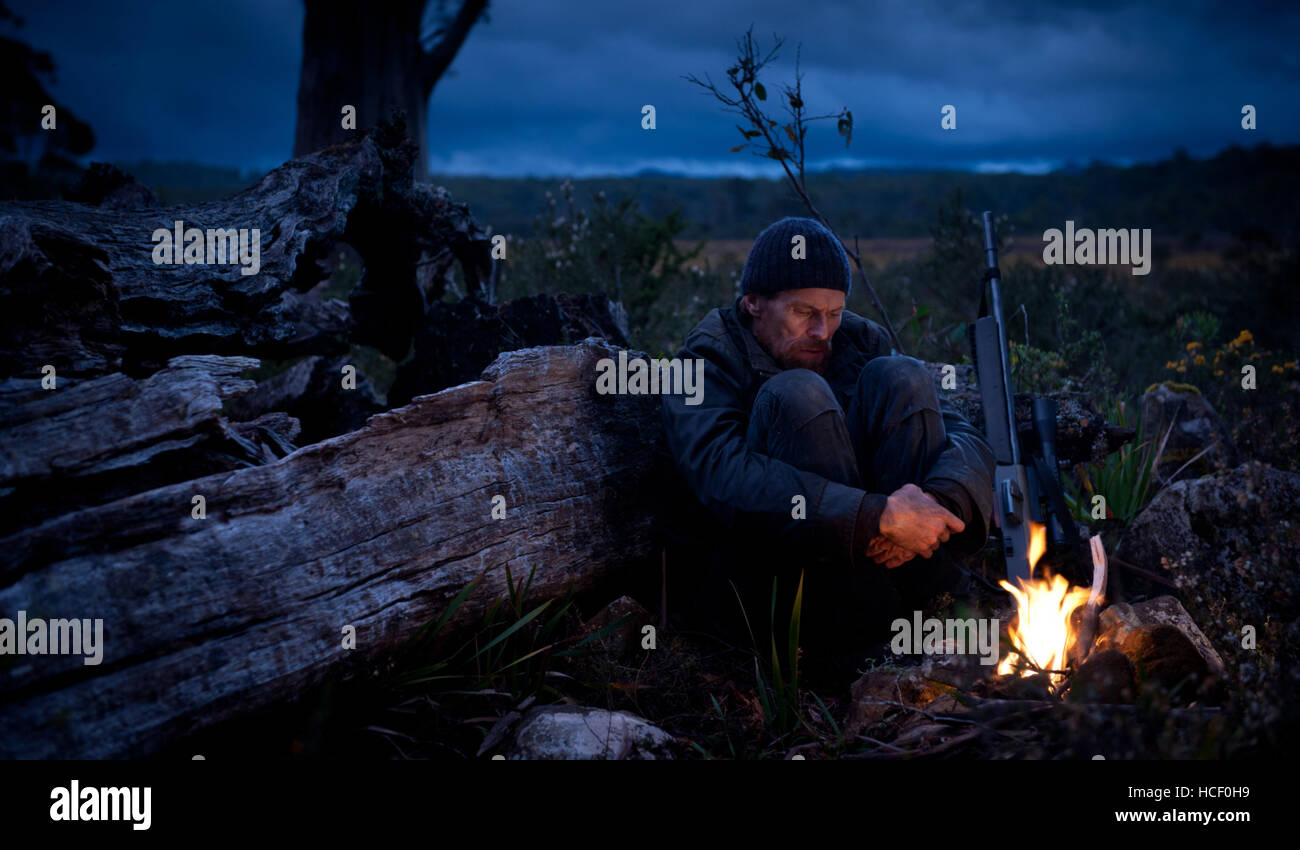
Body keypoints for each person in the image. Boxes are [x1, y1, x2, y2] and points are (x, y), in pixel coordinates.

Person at [658, 216, 995, 681]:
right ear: (753, 303)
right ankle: (856, 645)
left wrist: (936, 503)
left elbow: (962, 433)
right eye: (804, 313)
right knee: (798, 393)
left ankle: (932, 606)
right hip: (765, 589)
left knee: (902, 376)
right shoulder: (706, 359)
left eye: (833, 313)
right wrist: (873, 514)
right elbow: (724, 474)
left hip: (884, 567)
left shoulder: (859, 342)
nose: (823, 331)